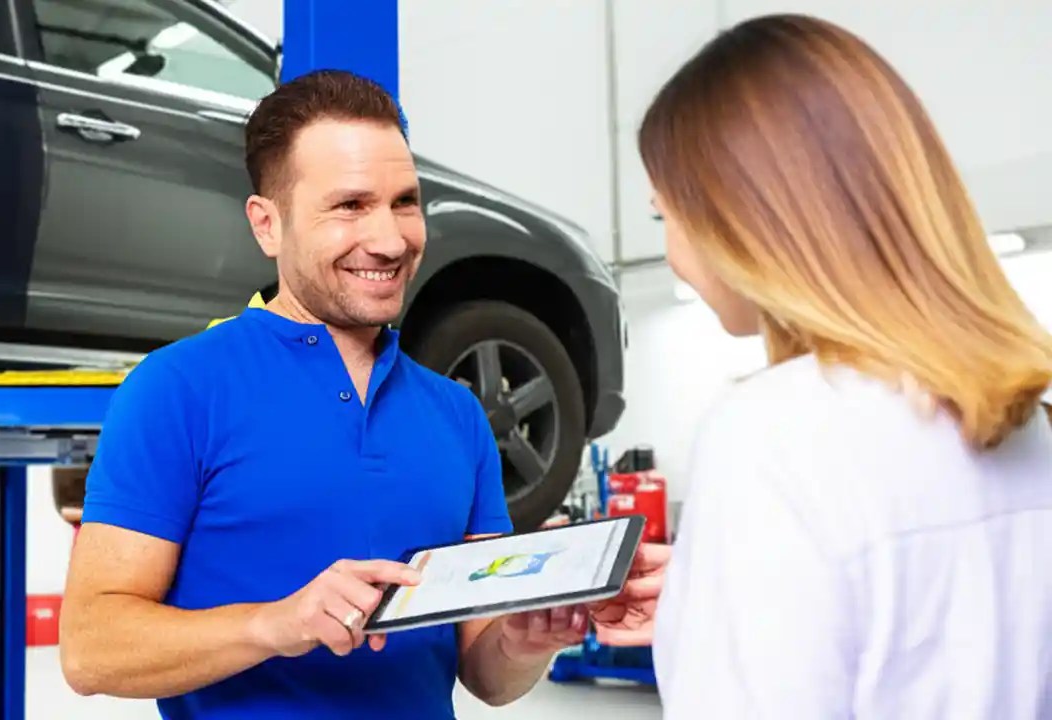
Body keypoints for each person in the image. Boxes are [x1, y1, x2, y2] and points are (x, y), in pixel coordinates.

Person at [57, 69, 601, 719]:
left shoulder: (457, 414)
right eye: (351, 206)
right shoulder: (179, 389)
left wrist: (522, 641)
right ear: (267, 225)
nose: (391, 239)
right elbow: (91, 650)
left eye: (405, 201)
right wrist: (274, 625)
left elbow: (488, 676)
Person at [592, 13, 1052, 719]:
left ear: (739, 221)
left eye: (666, 218)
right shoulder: (1032, 426)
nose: (676, 253)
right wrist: (724, 592)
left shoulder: (772, 435)